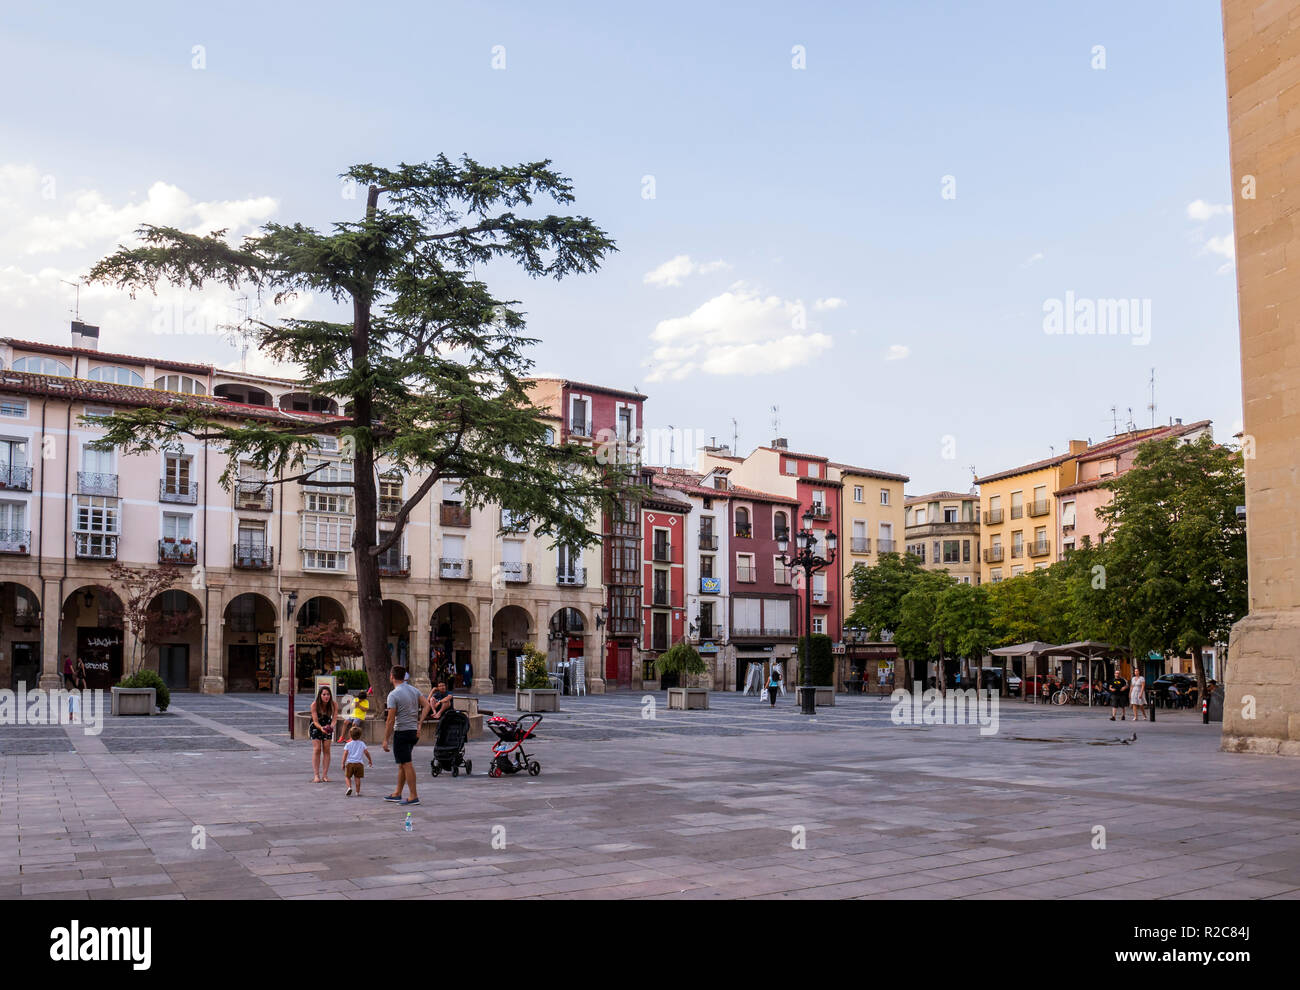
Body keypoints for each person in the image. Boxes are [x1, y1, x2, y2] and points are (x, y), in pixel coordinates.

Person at [383, 665, 430, 806]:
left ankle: (413, 796)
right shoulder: (414, 690)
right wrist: (420, 722)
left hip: (402, 732)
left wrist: (385, 739)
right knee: (403, 763)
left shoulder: (393, 694)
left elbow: (390, 719)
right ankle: (397, 792)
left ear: (392, 676)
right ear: (404, 677)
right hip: (413, 732)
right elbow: (427, 705)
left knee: (407, 764)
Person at [309, 685, 337, 783]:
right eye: (324, 694)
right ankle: (316, 775)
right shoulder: (315, 705)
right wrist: (322, 728)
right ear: (320, 695)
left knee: (327, 749)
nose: (326, 696)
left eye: (328, 694)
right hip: (316, 726)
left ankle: (325, 775)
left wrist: (331, 727)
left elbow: (334, 719)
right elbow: (315, 721)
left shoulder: (333, 704)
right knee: (317, 749)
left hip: (327, 725)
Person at [341, 725, 373, 796]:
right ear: (360, 735)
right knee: (357, 778)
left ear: (350, 735)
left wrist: (343, 763)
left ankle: (349, 787)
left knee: (347, 777)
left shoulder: (348, 744)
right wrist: (370, 760)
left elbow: (345, 754)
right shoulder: (362, 744)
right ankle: (357, 792)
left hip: (350, 763)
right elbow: (366, 752)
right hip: (359, 764)